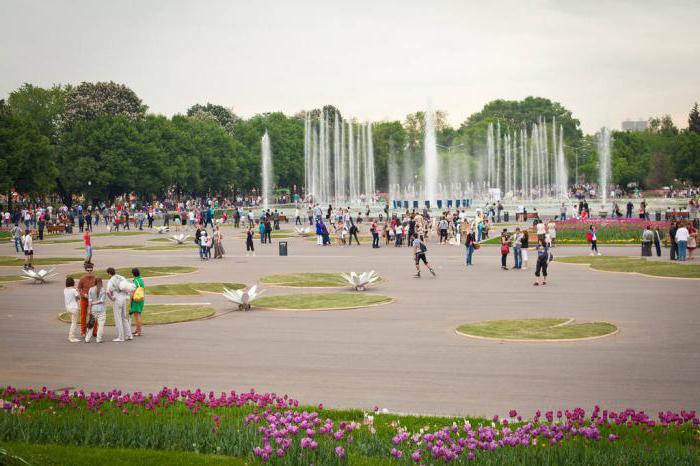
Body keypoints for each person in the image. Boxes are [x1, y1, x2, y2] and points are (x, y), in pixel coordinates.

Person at [106, 267, 133, 341]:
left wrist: (111, 298)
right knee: (124, 317)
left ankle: (121, 337)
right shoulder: (121, 277)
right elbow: (127, 287)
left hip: (117, 299)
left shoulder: (111, 281)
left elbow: (107, 292)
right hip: (124, 298)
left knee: (118, 318)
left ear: (109, 273)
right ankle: (129, 335)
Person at [64, 277, 81, 343]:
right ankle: (71, 337)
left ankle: (70, 336)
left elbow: (75, 299)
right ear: (73, 283)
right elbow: (79, 297)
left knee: (72, 323)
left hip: (68, 308)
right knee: (74, 323)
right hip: (74, 308)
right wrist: (77, 290)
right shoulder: (74, 290)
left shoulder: (65, 289)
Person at [130, 268, 145, 337]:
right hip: (141, 298)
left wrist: (130, 300)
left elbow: (133, 292)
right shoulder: (141, 280)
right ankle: (137, 329)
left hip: (136, 299)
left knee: (137, 316)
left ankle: (139, 331)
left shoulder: (135, 281)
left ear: (133, 274)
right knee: (139, 314)